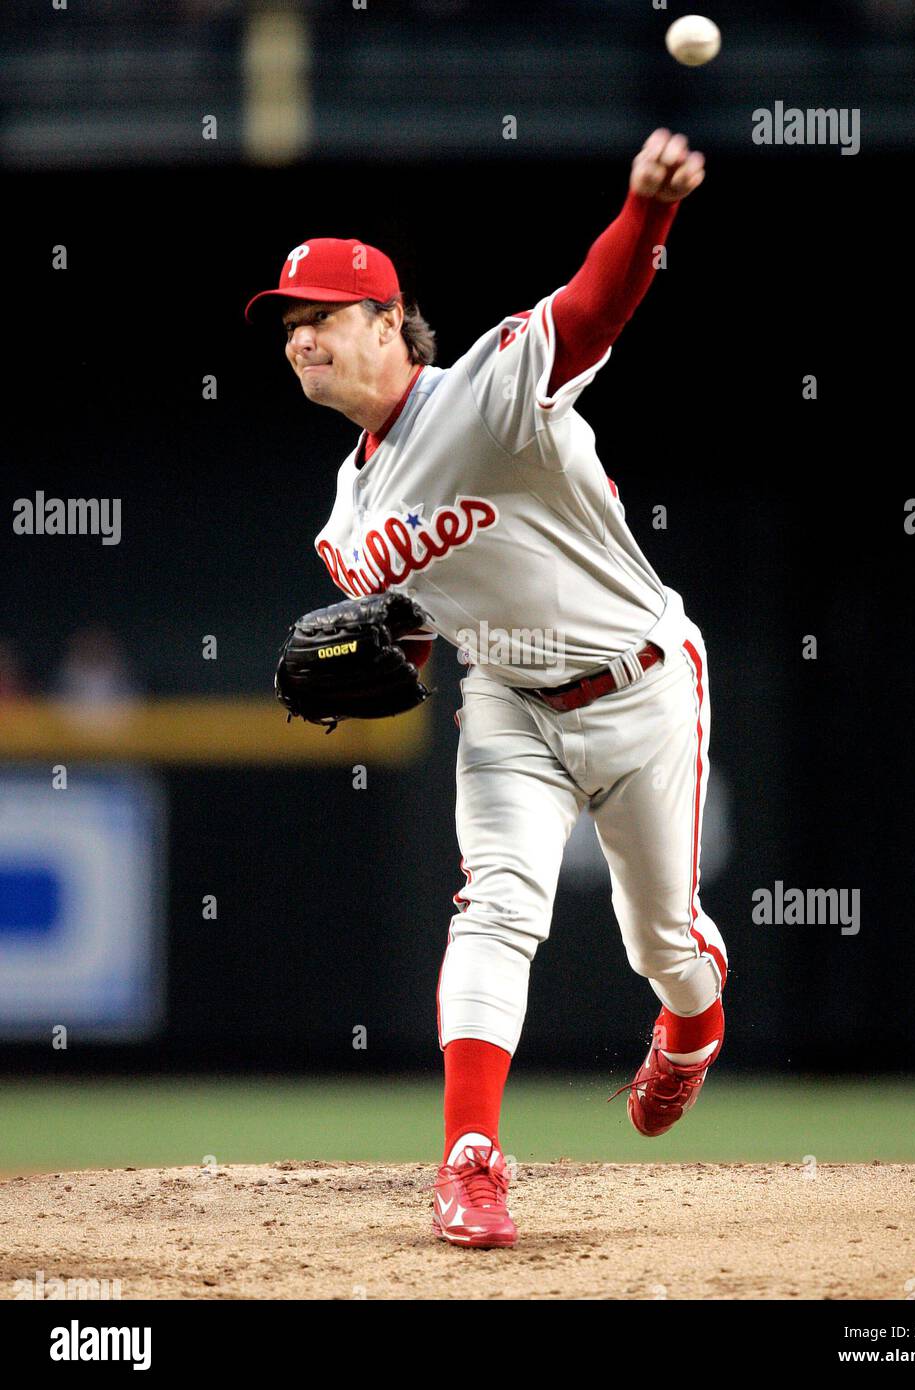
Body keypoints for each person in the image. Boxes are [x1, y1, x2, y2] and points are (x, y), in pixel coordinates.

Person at [247, 129, 728, 1249]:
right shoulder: (345, 522)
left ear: (387, 321)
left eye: (321, 313)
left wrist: (647, 210)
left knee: (662, 941)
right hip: (508, 703)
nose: (301, 335)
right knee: (500, 906)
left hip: (643, 686)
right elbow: (418, 625)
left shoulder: (488, 394)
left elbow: (595, 308)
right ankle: (471, 1160)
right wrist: (397, 658)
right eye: (288, 323)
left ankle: (694, 1028)